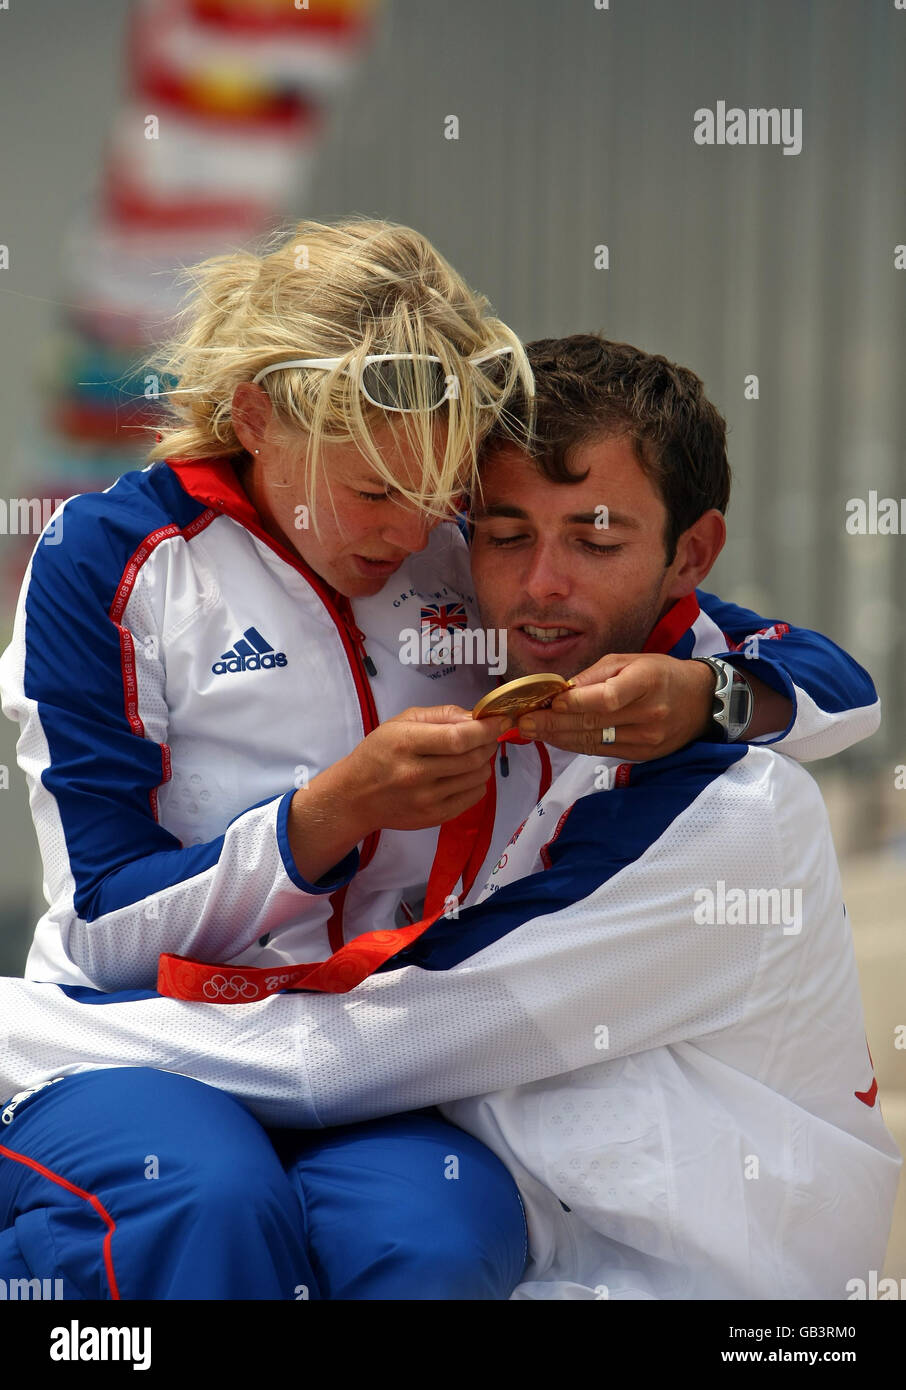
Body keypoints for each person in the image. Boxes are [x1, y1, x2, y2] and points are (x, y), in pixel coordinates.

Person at [0, 334, 897, 1299]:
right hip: (511, 1192)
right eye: (504, 535)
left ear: (692, 554)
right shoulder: (472, 638)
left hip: (677, 1275)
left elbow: (366, 1049)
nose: (543, 581)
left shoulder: (728, 814)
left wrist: (33, 1031)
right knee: (216, 1207)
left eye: (596, 541)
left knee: (370, 1233)